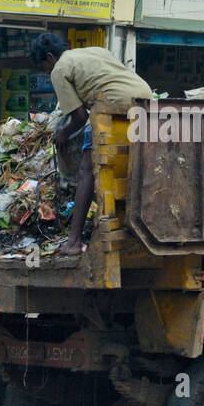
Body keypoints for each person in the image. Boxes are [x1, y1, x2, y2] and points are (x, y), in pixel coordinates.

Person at [31, 33, 153, 256]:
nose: (47, 72)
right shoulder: (96, 51)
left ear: (50, 57)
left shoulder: (59, 69)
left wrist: (62, 134)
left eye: (44, 67)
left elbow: (79, 117)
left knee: (87, 171)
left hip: (113, 107)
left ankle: (74, 242)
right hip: (146, 104)